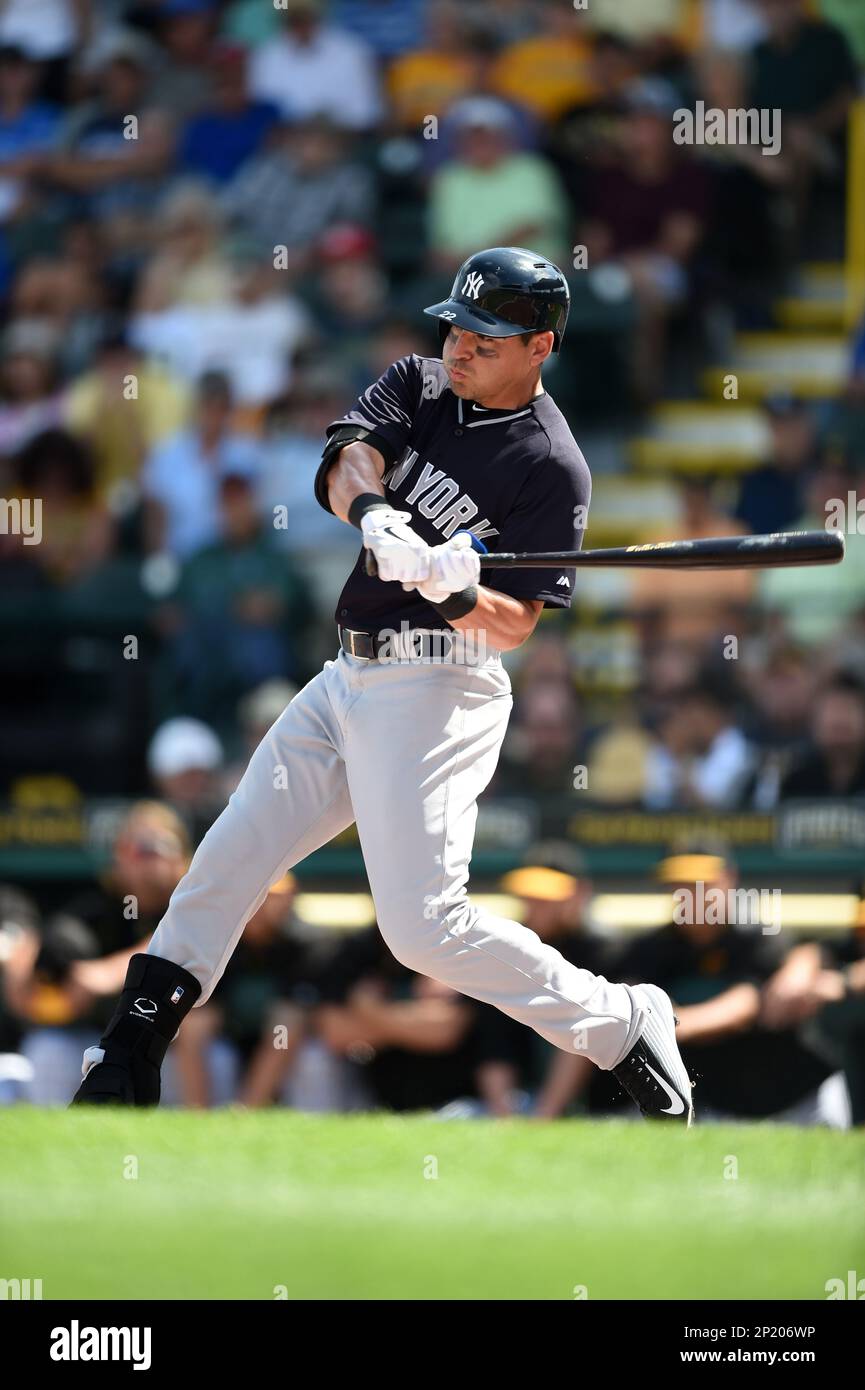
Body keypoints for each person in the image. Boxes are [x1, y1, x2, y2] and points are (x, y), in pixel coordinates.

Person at [72, 246, 694, 1124]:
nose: (462, 347)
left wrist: (457, 589)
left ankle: (623, 1022)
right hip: (348, 670)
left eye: (487, 336)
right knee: (228, 858)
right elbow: (343, 461)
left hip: (441, 689)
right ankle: (126, 1057)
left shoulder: (552, 465)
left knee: (422, 931)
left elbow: (516, 623)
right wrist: (376, 514)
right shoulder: (418, 380)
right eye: (458, 328)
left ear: (540, 347)